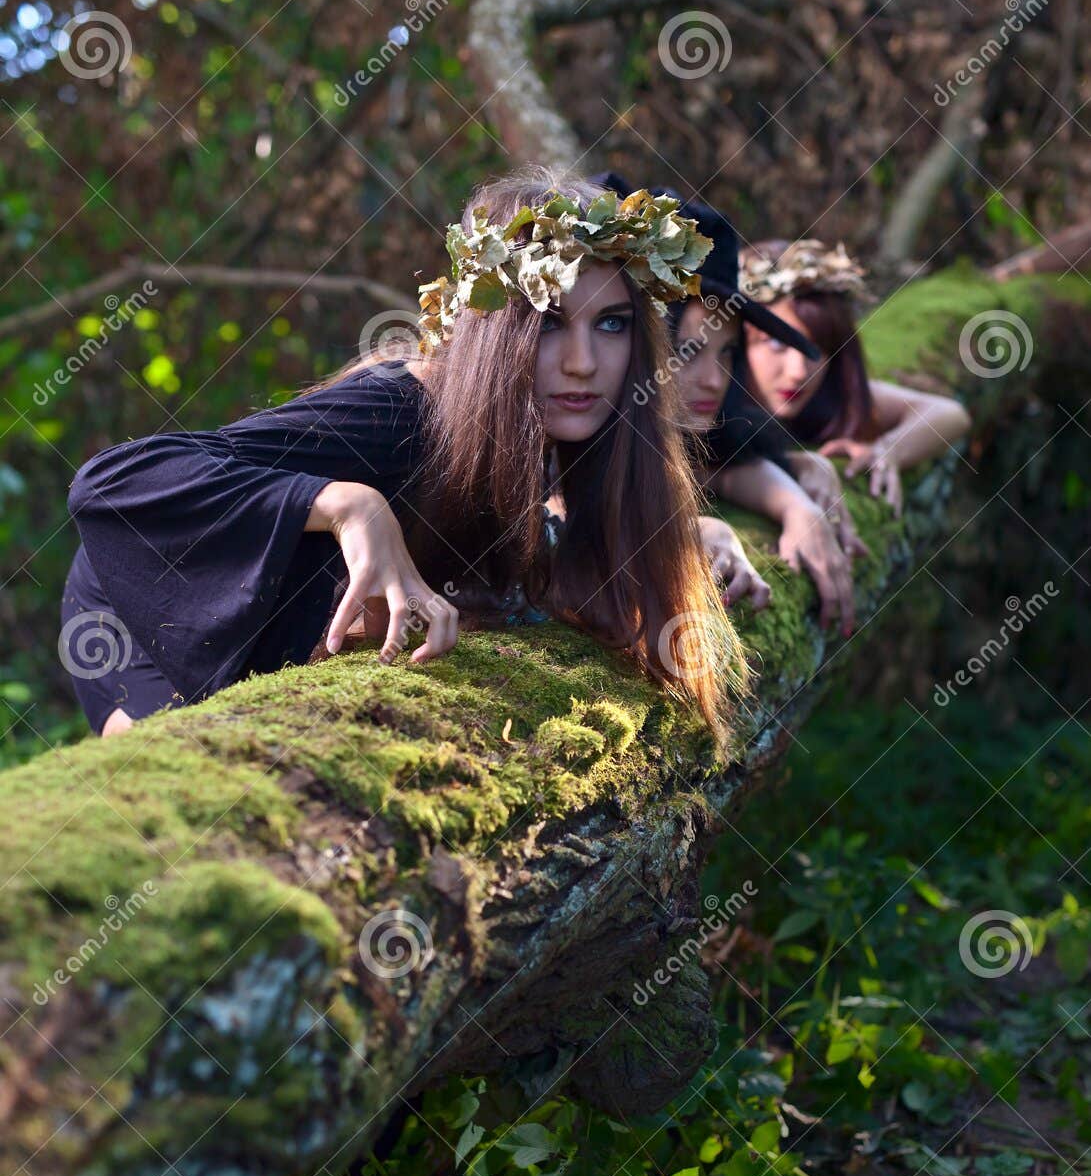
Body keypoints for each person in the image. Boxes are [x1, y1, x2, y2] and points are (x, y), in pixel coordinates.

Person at [62, 169, 749, 750]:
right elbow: (114, 482)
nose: (582, 362)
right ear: (494, 328)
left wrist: (691, 531)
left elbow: (554, 527)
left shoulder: (571, 431)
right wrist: (347, 506)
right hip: (140, 607)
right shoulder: (400, 410)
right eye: (547, 322)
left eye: (611, 324)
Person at [594, 175, 865, 637]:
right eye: (687, 351)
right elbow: (564, 516)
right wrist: (695, 532)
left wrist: (797, 499)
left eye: (726, 352)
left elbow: (722, 462)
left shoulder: (676, 429)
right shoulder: (566, 424)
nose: (714, 379)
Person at [739, 238, 972, 517]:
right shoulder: (702, 401)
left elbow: (949, 413)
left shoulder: (833, 394)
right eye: (777, 344)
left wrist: (887, 450)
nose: (798, 371)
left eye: (815, 349)